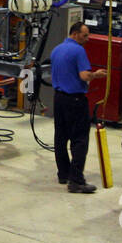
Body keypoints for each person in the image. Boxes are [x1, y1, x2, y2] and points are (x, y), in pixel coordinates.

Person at [48, 21, 107, 193]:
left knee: (60, 137)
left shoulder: (56, 49)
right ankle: (76, 181)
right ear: (75, 34)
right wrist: (96, 75)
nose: (87, 39)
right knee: (80, 139)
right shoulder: (78, 51)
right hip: (75, 100)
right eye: (85, 35)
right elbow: (84, 76)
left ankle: (64, 174)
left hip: (58, 99)